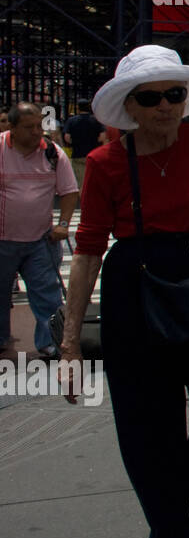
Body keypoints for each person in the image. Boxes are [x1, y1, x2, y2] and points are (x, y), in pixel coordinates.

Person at [59, 45, 189, 538]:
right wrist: (70, 345)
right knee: (149, 434)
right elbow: (87, 251)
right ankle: (177, 531)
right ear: (130, 106)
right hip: (134, 296)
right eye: (151, 98)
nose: (165, 106)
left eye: (174, 94)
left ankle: (179, 512)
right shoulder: (104, 163)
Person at [0, 103, 78, 359]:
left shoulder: (52, 153)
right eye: (28, 127)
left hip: (40, 240)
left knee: (47, 295)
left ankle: (51, 343)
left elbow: (68, 192)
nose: (36, 132)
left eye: (39, 126)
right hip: (2, 240)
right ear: (12, 128)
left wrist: (63, 224)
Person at [63, 99, 102, 191]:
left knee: (81, 184)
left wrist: (75, 142)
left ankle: (83, 203)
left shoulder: (71, 121)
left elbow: (67, 137)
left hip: (78, 154)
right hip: (94, 155)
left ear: (78, 107)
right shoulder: (96, 120)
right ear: (89, 107)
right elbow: (103, 136)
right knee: (93, 182)